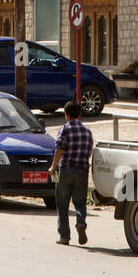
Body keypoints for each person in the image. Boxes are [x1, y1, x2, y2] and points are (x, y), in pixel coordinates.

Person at [49, 101, 94, 246]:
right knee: (80, 203)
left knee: (62, 204)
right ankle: (80, 223)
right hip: (82, 171)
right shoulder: (87, 132)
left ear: (66, 115)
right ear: (80, 115)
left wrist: (53, 167)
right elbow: (89, 152)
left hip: (66, 170)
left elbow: (59, 149)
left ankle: (64, 236)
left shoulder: (65, 129)